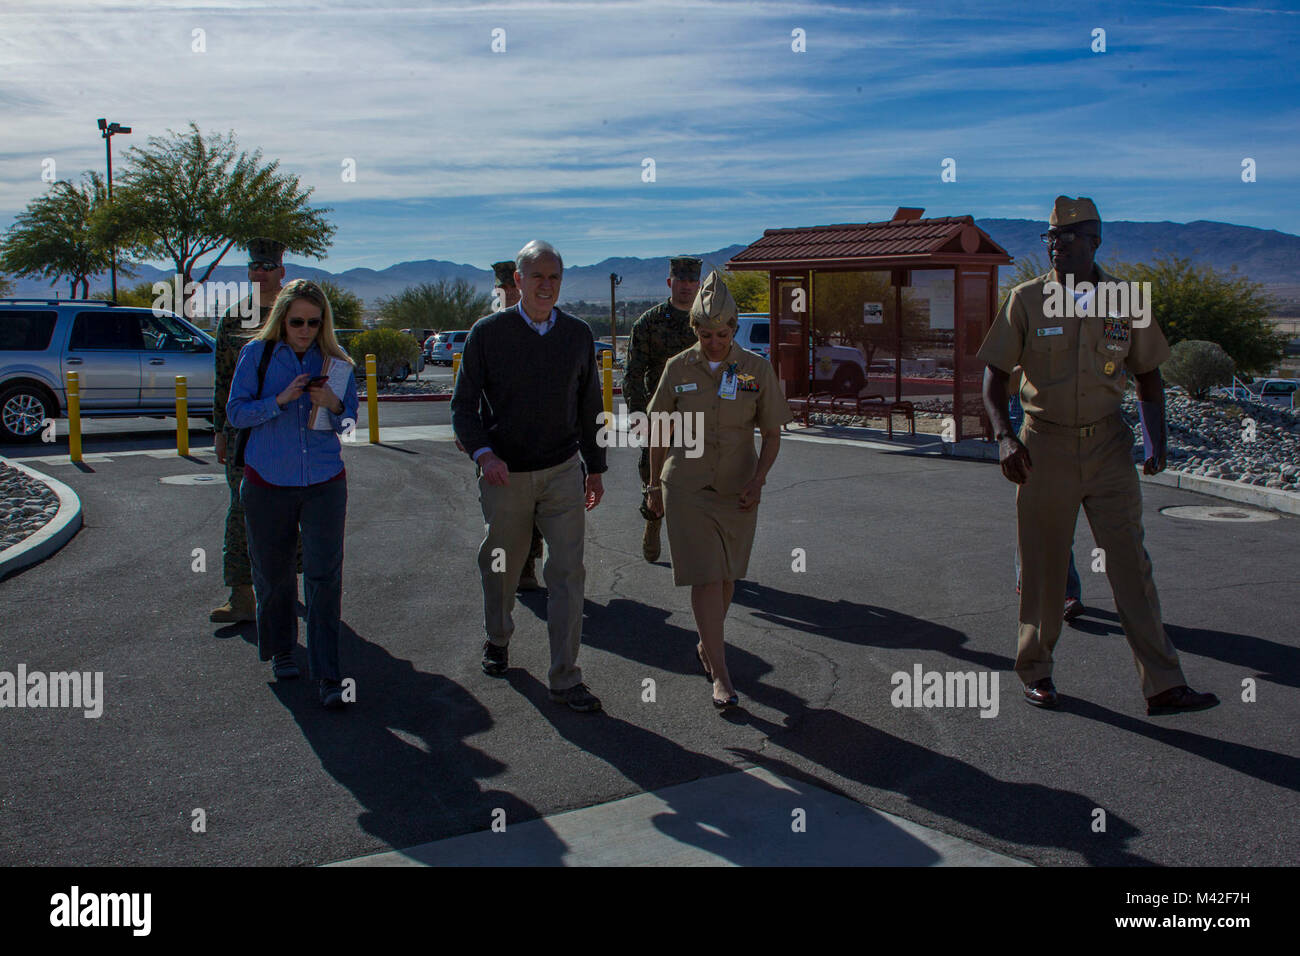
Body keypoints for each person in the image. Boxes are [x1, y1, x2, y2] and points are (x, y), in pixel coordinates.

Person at [978, 196, 1218, 716]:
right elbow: (995, 375)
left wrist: (1157, 440)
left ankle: (1164, 684)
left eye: (1067, 239)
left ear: (1095, 242)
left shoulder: (1126, 300)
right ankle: (1036, 670)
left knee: (1132, 566)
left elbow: (1148, 374)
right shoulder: (1026, 299)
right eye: (1050, 239)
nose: (1055, 247)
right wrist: (1004, 435)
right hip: (1044, 445)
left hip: (1110, 445)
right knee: (1044, 568)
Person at [451, 241, 607, 713]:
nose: (546, 285)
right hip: (506, 475)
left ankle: (565, 677)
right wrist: (484, 454)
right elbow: (463, 406)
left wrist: (594, 468)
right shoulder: (488, 334)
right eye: (537, 276)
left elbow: (590, 406)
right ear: (517, 281)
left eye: (554, 277)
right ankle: (497, 637)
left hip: (562, 470)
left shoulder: (578, 335)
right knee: (500, 565)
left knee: (567, 572)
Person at [646, 272, 792, 708]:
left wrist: (758, 480)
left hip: (738, 491)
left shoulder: (754, 370)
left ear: (735, 330)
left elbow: (771, 434)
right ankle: (722, 676)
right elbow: (658, 431)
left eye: (723, 334)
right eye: (706, 334)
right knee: (707, 577)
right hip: (686, 488)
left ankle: (706, 645)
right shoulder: (678, 369)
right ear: (695, 331)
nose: (714, 342)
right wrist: (652, 486)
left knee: (727, 578)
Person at [226, 279, 359, 709]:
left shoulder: (336, 363)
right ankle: (283, 650)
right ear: (282, 318)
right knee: (274, 572)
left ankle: (328, 673)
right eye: (297, 321)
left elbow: (351, 428)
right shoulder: (258, 355)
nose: (304, 329)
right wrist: (280, 400)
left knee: (324, 577)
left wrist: (335, 406)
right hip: (268, 482)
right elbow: (236, 412)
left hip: (323, 483)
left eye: (313, 322)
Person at [211, 237, 288, 623]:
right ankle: (241, 594)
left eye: (266, 267)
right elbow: (223, 379)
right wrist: (220, 430)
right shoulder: (234, 317)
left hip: (289, 428)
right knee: (241, 509)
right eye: (254, 267)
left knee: (292, 508)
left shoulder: (298, 314)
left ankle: (284, 585)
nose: (259, 272)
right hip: (244, 429)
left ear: (281, 272)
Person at [624, 256, 702, 562]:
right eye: (679, 281)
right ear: (670, 283)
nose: (685, 287)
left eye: (691, 281)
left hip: (699, 415)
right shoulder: (649, 322)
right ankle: (653, 523)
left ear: (699, 284)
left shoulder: (708, 322)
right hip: (660, 414)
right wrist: (637, 414)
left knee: (698, 479)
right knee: (653, 476)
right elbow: (633, 372)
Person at [1009, 375, 1083, 621]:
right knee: (1030, 523)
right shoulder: (1021, 367)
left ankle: (1066, 593)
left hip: (1066, 448)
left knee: (1059, 523)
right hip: (1031, 447)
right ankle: (1026, 579)